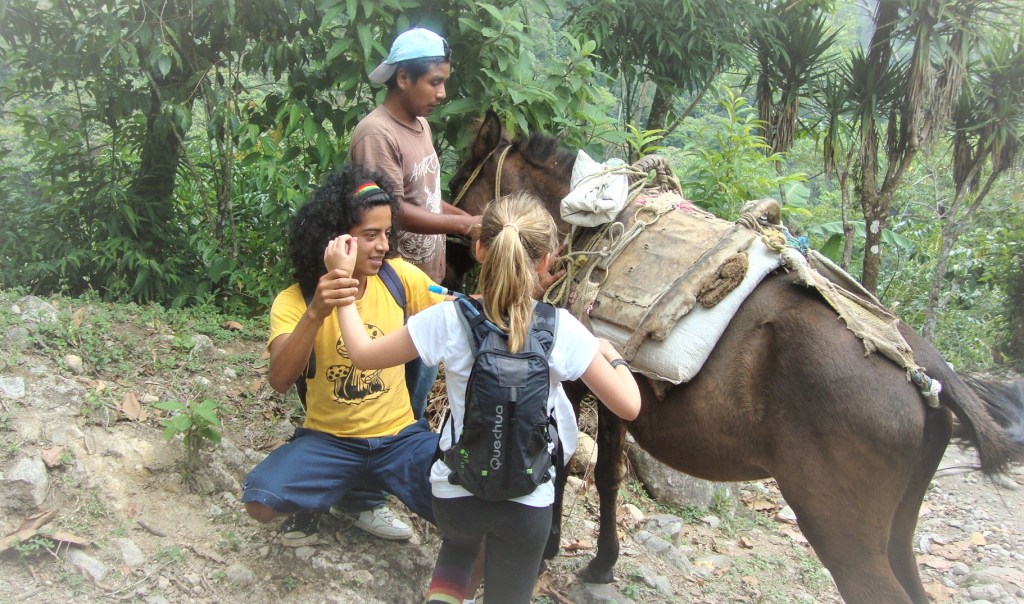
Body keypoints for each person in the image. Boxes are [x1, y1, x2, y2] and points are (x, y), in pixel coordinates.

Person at [324, 192, 641, 604]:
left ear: (478, 249)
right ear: (546, 261)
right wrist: (612, 357)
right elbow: (629, 406)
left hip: (457, 492)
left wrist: (342, 283)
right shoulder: (561, 329)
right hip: (529, 501)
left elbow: (364, 356)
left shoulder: (446, 318)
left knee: (458, 550)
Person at [241, 163, 444, 546]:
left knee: (465, 499)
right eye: (370, 235)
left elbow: (454, 308)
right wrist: (316, 311)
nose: (383, 245)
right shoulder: (295, 300)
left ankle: (359, 499)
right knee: (261, 502)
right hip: (330, 440)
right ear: (335, 241)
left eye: (386, 233)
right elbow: (280, 380)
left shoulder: (400, 277)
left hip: (401, 438)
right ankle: (326, 495)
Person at [351, 27, 481, 424]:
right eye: (434, 82)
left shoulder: (420, 126)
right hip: (392, 282)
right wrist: (463, 228)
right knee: (390, 382)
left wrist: (470, 220)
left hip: (425, 280)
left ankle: (405, 435)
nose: (441, 94)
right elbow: (394, 210)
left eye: (444, 82)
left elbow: (424, 196)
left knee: (420, 372)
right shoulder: (377, 133)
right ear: (403, 79)